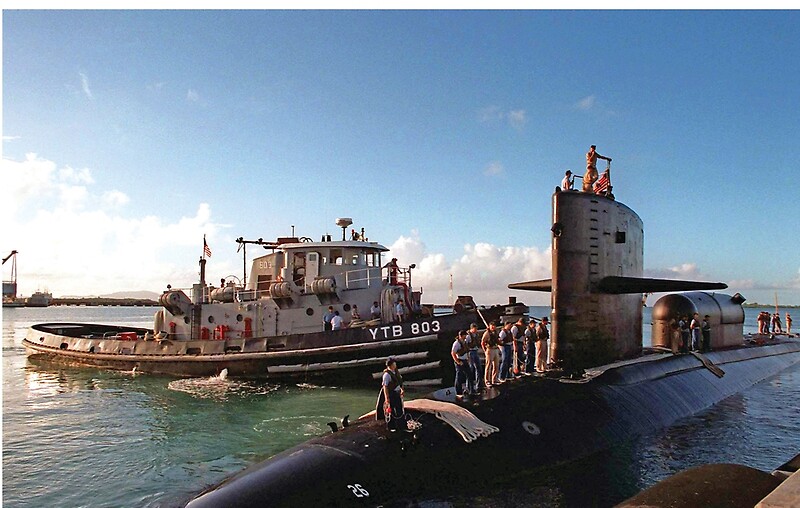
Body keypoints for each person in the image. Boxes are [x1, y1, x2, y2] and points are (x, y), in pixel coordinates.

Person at [380, 358, 405, 431]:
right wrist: (387, 398)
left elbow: (400, 382)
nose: (395, 365)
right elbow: (385, 387)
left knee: (399, 409)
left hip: (397, 393)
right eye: (394, 363)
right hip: (392, 394)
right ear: (390, 365)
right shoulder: (387, 375)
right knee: (391, 410)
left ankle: (401, 426)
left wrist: (402, 390)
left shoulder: (396, 372)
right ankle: (391, 427)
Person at [451, 331, 472, 398]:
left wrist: (468, 358)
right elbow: (453, 353)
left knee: (469, 374)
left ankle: (470, 390)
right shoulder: (456, 343)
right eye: (465, 335)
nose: (466, 336)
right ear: (462, 335)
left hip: (465, 360)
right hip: (460, 361)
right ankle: (458, 392)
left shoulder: (464, 342)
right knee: (459, 376)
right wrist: (458, 362)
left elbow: (467, 351)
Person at [481, 321, 501, 387]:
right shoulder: (487, 333)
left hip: (495, 349)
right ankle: (487, 380)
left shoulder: (496, 332)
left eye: (494, 326)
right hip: (489, 349)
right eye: (492, 325)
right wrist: (485, 351)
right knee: (488, 365)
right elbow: (482, 342)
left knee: (496, 365)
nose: (493, 327)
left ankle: (494, 379)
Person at [465, 323, 484, 392]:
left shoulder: (476, 335)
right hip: (470, 352)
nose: (476, 330)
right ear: (471, 328)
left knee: (479, 368)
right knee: (471, 369)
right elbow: (465, 345)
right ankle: (469, 387)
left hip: (475, 351)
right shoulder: (468, 336)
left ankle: (479, 385)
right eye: (474, 329)